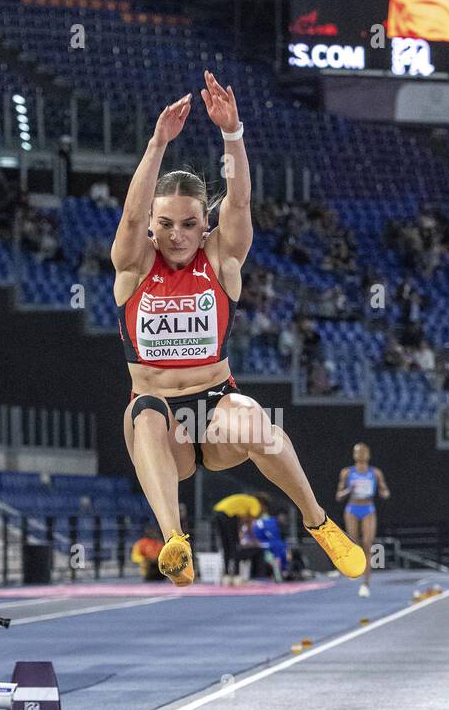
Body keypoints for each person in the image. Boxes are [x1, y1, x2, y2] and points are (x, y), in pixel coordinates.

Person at [112, 71, 366, 586]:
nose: (177, 235)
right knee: (146, 414)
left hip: (215, 404)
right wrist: (158, 143)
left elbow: (241, 202)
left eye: (188, 223)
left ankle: (318, 522)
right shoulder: (133, 266)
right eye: (165, 224)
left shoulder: (220, 258)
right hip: (159, 424)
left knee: (256, 421)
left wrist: (233, 135)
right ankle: (175, 542)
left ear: (203, 226)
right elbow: (133, 212)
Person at [336, 443, 390, 597]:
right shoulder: (347, 473)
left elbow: (384, 490)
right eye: (357, 452)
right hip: (352, 508)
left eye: (364, 452)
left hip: (368, 509)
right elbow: (338, 496)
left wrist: (384, 492)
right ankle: (355, 571)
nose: (361, 454)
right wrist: (348, 490)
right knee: (354, 544)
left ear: (369, 454)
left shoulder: (375, 473)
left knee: (367, 543)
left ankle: (366, 583)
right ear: (354, 455)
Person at [212, 491, 263, 586]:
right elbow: (250, 520)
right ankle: (236, 575)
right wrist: (253, 538)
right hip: (228, 515)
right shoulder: (255, 502)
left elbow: (243, 520)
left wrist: (240, 531)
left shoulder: (244, 501)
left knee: (226, 545)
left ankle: (226, 575)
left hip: (217, 513)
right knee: (235, 546)